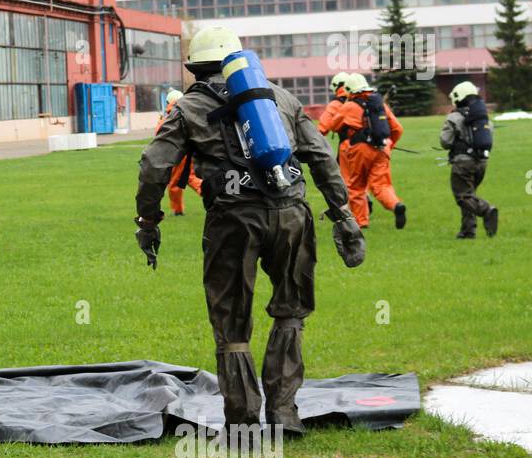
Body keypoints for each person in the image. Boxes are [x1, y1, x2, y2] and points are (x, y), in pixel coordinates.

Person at [135, 26, 364, 434]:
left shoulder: (188, 108)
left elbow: (154, 166)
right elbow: (323, 159)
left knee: (232, 323)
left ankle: (243, 423)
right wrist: (344, 215)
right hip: (292, 213)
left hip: (233, 220)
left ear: (198, 67)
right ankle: (284, 413)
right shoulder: (282, 98)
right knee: (291, 312)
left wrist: (148, 221)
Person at [319, 73, 406, 229]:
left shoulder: (348, 106)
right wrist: (388, 146)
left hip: (358, 151)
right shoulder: (380, 105)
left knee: (356, 187)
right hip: (382, 149)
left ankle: (361, 222)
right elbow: (397, 129)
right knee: (381, 185)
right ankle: (396, 205)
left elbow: (333, 125)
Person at [440, 81, 498, 239]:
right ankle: (468, 231)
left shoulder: (454, 117)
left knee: (463, 197)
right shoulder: (482, 118)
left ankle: (487, 210)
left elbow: (445, 142)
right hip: (481, 163)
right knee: (470, 196)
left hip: (462, 163)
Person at [159, 88, 203, 216]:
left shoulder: (170, 115)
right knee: (190, 177)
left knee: (175, 183)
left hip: (177, 154)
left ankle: (178, 210)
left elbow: (160, 133)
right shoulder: (190, 111)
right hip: (190, 152)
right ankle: (212, 194)